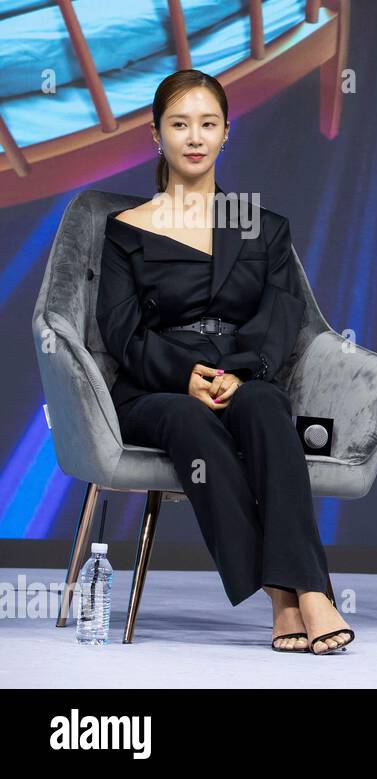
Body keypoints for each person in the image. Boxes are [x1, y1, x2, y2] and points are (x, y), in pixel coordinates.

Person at [95, 70, 353, 655]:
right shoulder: (126, 232)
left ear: (227, 133)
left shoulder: (262, 226)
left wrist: (242, 370)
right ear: (154, 135)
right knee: (190, 422)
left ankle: (302, 591)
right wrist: (183, 375)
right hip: (155, 389)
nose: (194, 137)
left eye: (208, 124)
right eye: (179, 124)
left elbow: (285, 312)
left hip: (240, 373)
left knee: (267, 404)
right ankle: (289, 594)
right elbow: (119, 330)